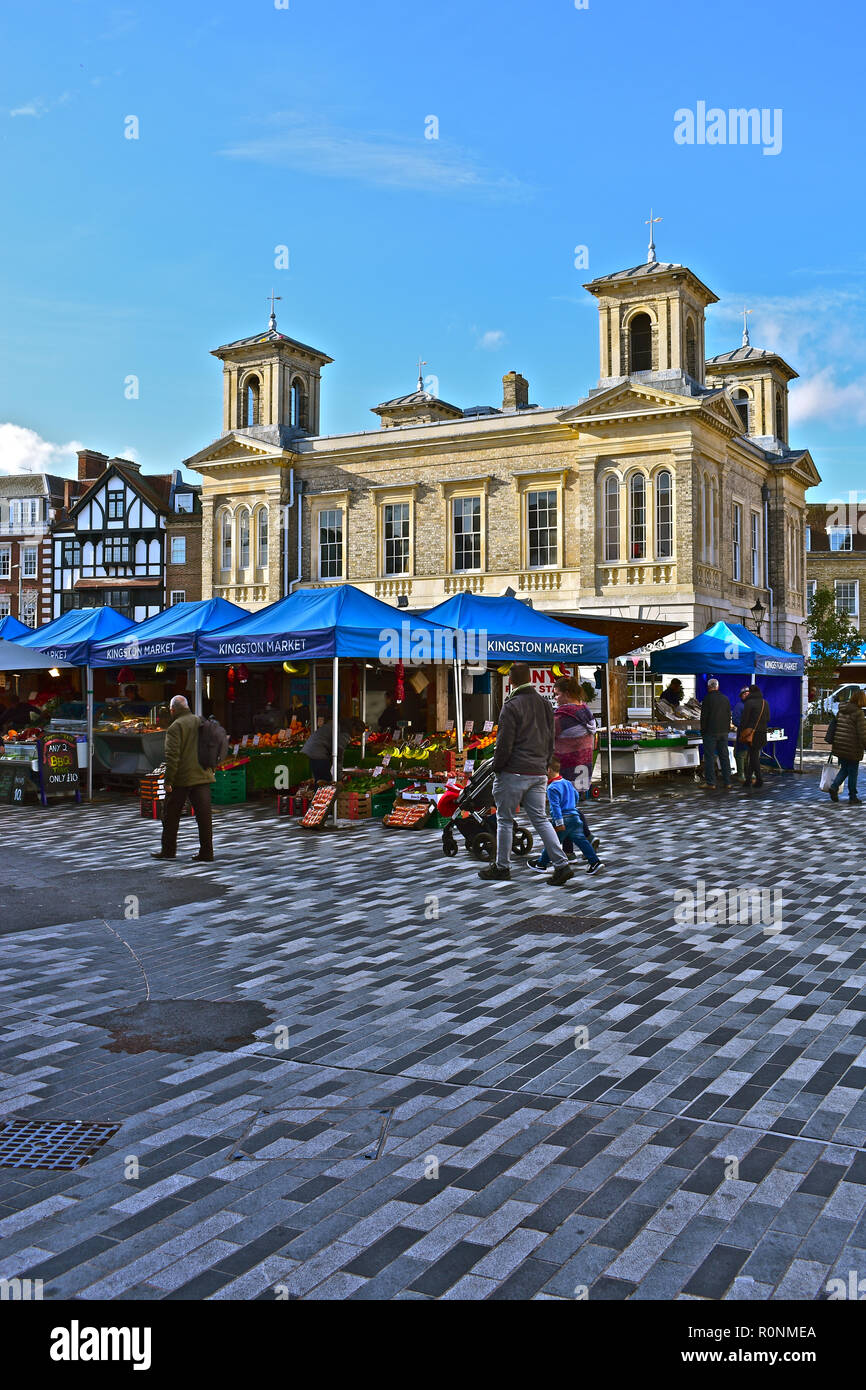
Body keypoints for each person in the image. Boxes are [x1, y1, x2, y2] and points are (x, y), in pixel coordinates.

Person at [479, 661, 573, 885]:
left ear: (511, 680)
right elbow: (551, 737)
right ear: (530, 677)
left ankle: (502, 867)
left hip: (514, 771)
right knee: (540, 819)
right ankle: (561, 865)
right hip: (539, 771)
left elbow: (504, 743)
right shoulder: (544, 703)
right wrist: (545, 763)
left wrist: (497, 767)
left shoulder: (511, 705)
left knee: (504, 819)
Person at [152, 695, 214, 863]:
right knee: (204, 817)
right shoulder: (202, 722)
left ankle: (168, 851)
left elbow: (172, 757)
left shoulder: (175, 727)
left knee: (171, 815)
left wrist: (168, 781)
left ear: (173, 710)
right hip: (203, 775)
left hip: (182, 778)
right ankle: (207, 852)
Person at [529, 758, 605, 875]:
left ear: (548, 770)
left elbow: (555, 807)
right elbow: (576, 796)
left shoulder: (552, 788)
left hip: (563, 819)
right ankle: (595, 862)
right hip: (575, 817)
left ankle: (541, 863)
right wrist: (571, 806)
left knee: (552, 842)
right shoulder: (567, 783)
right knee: (582, 841)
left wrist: (559, 823)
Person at [827, 688, 866, 804]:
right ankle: (852, 796)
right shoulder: (858, 713)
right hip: (853, 748)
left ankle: (834, 787)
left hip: (840, 745)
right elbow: (862, 733)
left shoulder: (841, 710)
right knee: (853, 771)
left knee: (844, 769)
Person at [302, 716, 365, 784]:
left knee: (320, 780)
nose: (355, 737)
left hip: (310, 750)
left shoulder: (340, 724)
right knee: (325, 782)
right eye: (356, 734)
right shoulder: (345, 733)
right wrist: (339, 777)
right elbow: (338, 756)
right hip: (317, 752)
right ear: (354, 728)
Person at [700, 678, 732, 790]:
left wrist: (703, 731)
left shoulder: (707, 699)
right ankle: (728, 782)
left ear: (709, 687)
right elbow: (729, 716)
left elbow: (703, 718)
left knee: (709, 757)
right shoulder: (725, 699)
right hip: (723, 732)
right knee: (724, 757)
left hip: (710, 732)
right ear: (717, 687)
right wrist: (727, 729)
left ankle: (711, 782)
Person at [739, 684, 770, 789]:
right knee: (753, 755)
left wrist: (742, 732)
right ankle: (748, 780)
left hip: (752, 734)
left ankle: (759, 779)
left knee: (753, 757)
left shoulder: (749, 703)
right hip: (762, 733)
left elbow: (744, 720)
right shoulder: (765, 702)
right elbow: (768, 718)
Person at [731, 685, 751, 782]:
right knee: (741, 754)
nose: (746, 695)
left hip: (753, 733)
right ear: (741, 696)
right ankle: (741, 775)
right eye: (744, 694)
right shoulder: (739, 706)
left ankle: (751, 774)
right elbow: (735, 720)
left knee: (751, 754)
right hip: (743, 733)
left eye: (748, 693)